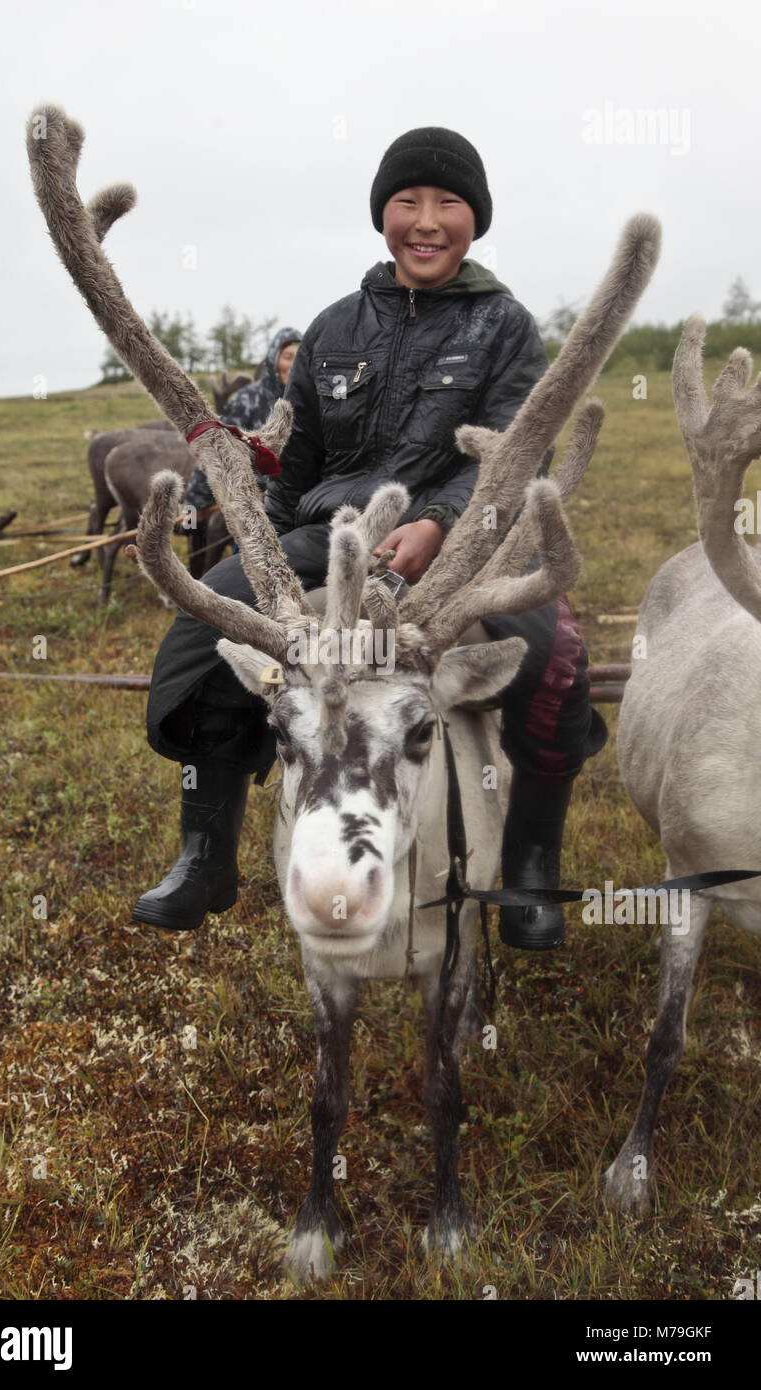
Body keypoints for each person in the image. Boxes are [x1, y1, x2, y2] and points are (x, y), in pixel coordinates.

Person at [133, 127, 606, 950]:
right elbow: (298, 465)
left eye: (448, 204)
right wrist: (265, 557)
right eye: (407, 202)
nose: (426, 221)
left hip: (468, 547)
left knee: (555, 659)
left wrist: (441, 523)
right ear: (382, 215)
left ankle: (531, 864)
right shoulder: (332, 328)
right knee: (204, 640)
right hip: (330, 538)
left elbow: (513, 453)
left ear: (475, 219)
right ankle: (205, 852)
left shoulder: (506, 328)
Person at [182, 327, 301, 516]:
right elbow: (216, 450)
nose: (294, 365)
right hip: (255, 508)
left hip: (300, 505)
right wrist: (193, 507)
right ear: (273, 359)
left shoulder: (312, 402)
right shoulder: (247, 400)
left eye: (300, 357)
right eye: (288, 357)